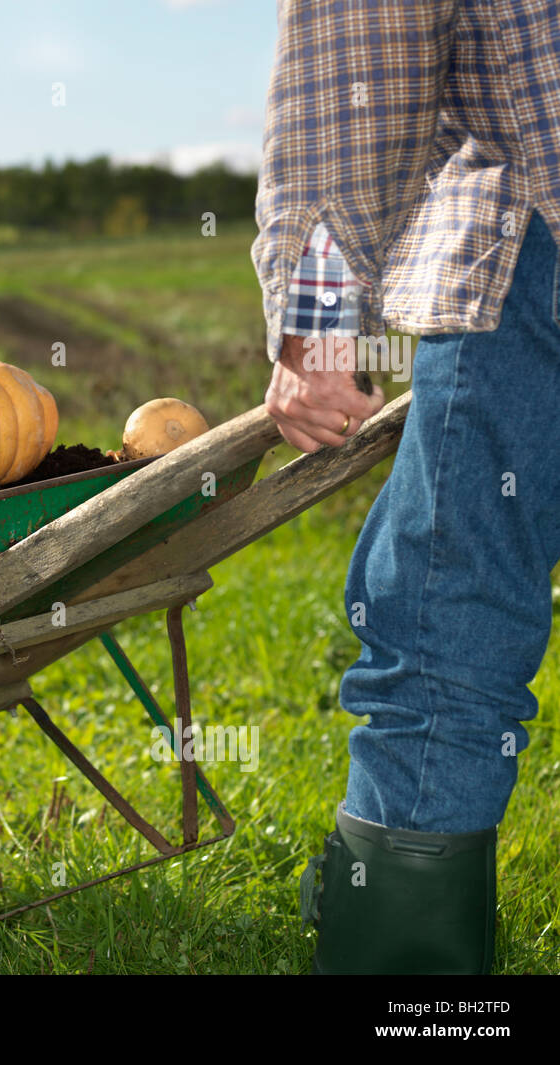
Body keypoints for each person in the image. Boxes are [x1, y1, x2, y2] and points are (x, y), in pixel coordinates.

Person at [252, 0, 560, 974]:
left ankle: (406, 991)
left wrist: (318, 324)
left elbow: (359, 56)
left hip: (534, 240)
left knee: (444, 642)